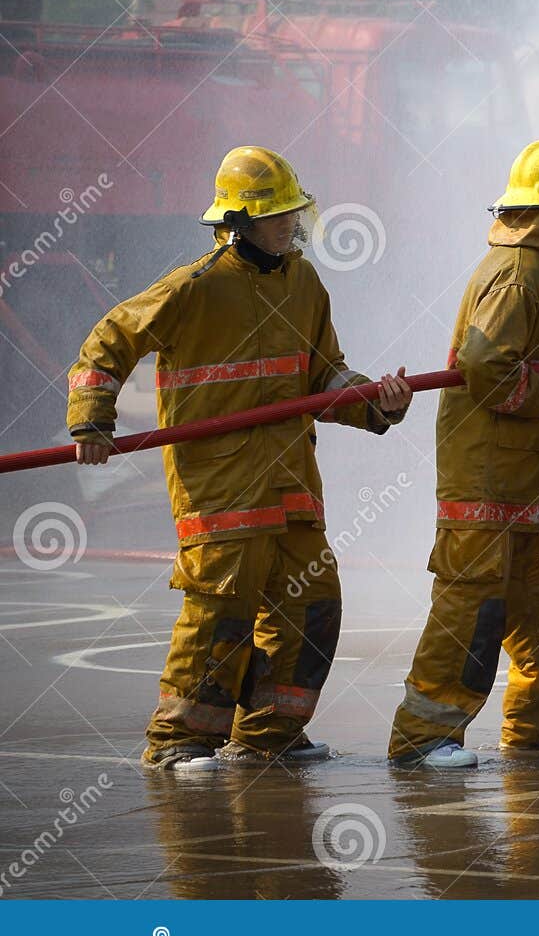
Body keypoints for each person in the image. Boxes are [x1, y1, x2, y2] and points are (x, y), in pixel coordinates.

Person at [68, 146, 411, 771]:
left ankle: (267, 736)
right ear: (241, 219)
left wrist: (376, 403)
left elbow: (324, 375)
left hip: (292, 490)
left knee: (314, 609)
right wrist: (92, 418)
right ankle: (178, 744)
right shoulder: (195, 287)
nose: (291, 224)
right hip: (222, 493)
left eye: (293, 212)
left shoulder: (305, 281)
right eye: (278, 214)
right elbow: (109, 340)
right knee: (219, 617)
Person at [387, 139, 539, 768]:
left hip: (528, 492)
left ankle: (534, 737)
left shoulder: (536, 274)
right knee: (470, 615)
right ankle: (423, 739)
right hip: (487, 488)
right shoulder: (517, 275)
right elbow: (488, 365)